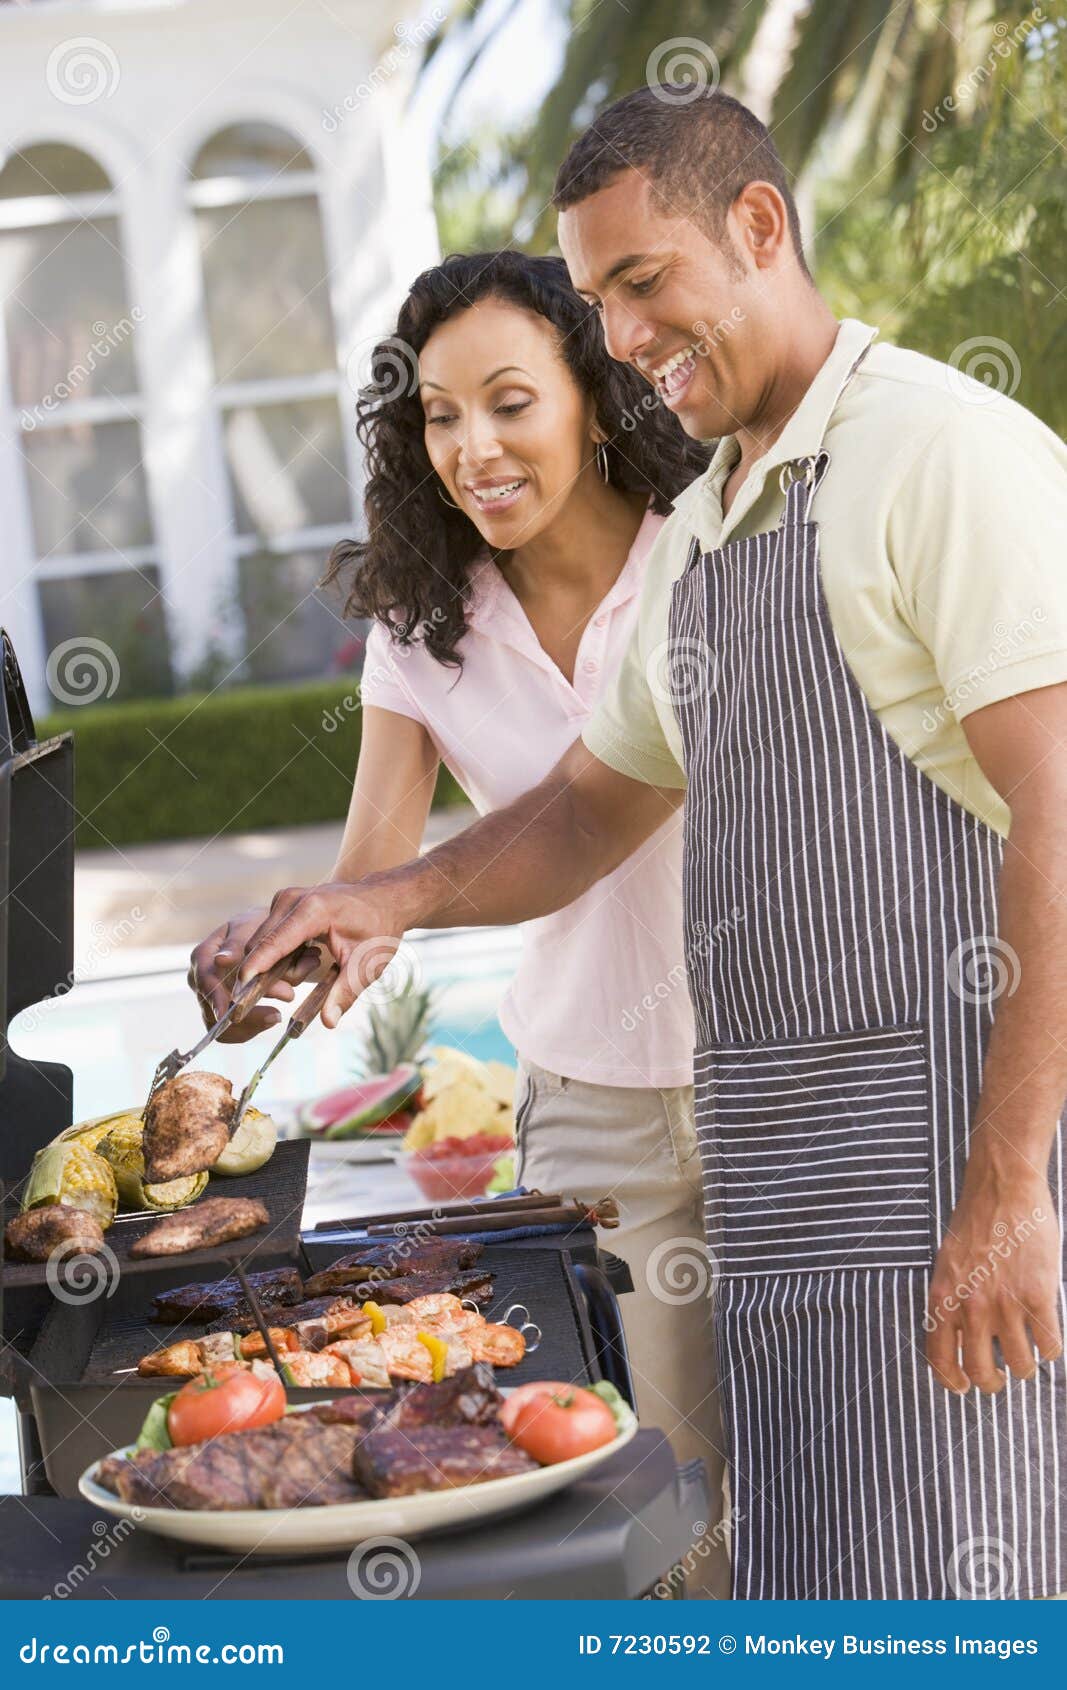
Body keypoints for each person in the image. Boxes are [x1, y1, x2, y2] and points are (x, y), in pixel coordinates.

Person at [236, 88, 1067, 1600]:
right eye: (601, 295)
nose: (623, 334)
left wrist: (1015, 1184)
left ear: (758, 227)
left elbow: (1062, 821)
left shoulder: (939, 451)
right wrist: (385, 901)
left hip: (948, 1163)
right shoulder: (711, 526)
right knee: (796, 1573)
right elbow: (588, 805)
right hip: (785, 1190)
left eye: (641, 282)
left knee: (976, 1569)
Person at [191, 249, 731, 1588]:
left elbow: (599, 810)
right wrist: (295, 947)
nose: (473, 448)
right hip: (596, 1101)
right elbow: (379, 871)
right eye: (439, 415)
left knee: (829, 1458)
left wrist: (379, 899)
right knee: (664, 1508)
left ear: (595, 401)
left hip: (766, 1075)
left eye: (509, 402)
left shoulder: (710, 550)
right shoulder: (423, 628)